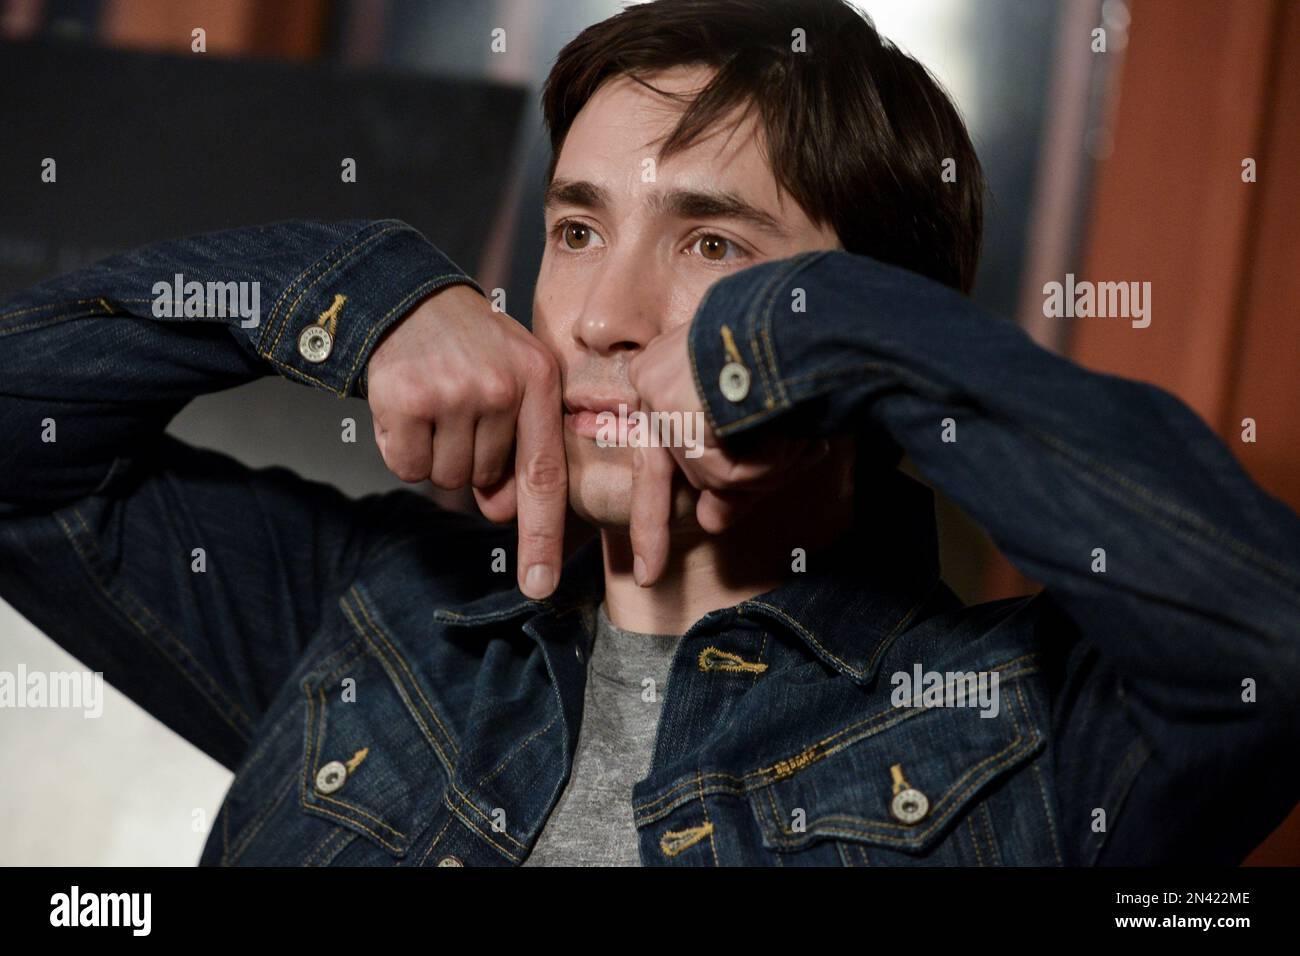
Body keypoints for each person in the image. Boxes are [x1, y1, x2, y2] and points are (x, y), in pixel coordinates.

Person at [1, 0, 1297, 867]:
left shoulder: (1022, 730)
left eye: (713, 244)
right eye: (577, 231)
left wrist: (811, 342)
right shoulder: (371, 614)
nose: (602, 316)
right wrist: (353, 296)